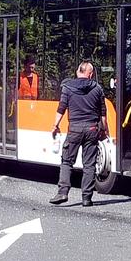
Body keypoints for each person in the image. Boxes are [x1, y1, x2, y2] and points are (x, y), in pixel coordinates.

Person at [50, 62, 108, 207]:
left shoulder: (68, 87)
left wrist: (55, 125)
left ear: (78, 72)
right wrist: (104, 130)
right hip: (92, 130)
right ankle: (86, 198)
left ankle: (63, 192)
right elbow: (103, 114)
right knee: (89, 164)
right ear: (91, 74)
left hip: (74, 129)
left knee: (67, 161)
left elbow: (61, 108)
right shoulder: (97, 89)